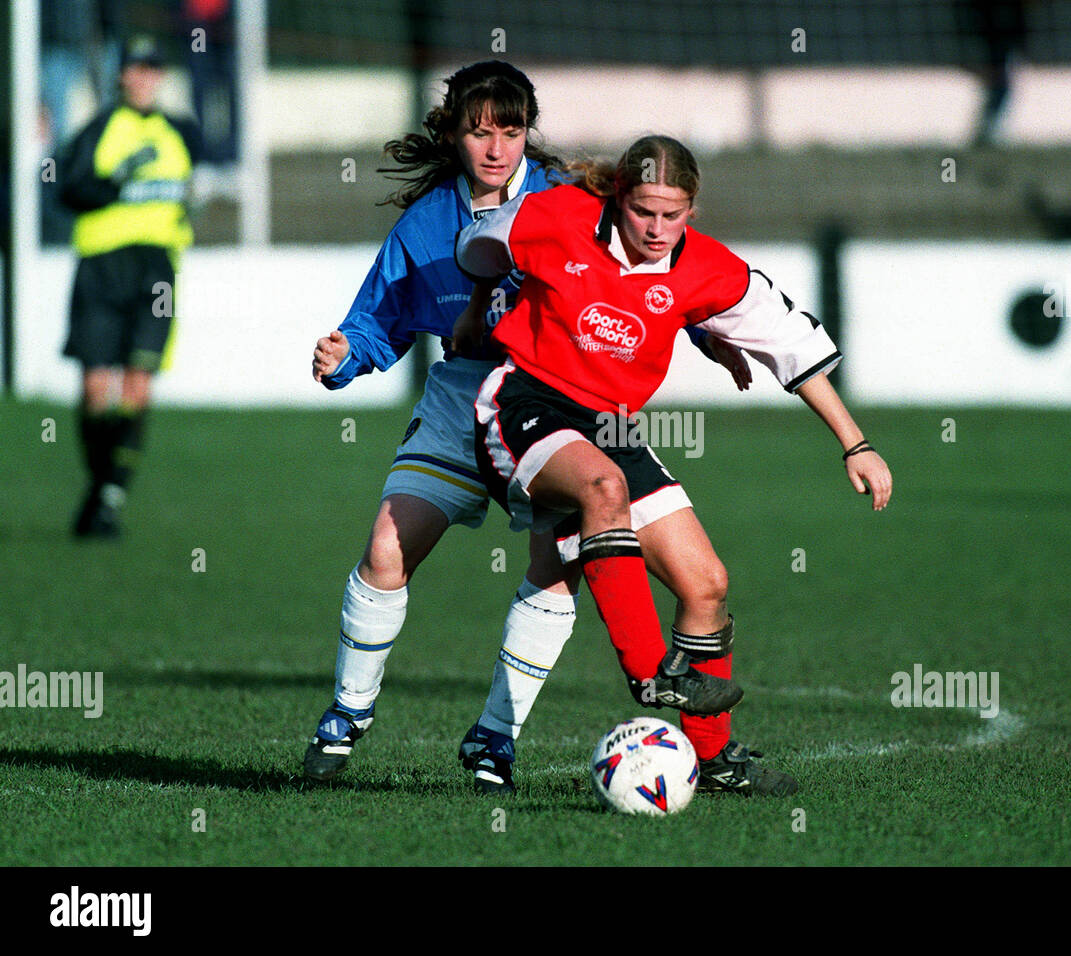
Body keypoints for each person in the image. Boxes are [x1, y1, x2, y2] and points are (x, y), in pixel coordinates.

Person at [302, 62, 739, 790]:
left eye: (511, 131)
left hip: (560, 402)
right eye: (480, 132)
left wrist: (710, 334)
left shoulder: (571, 201)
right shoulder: (426, 226)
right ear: (453, 135)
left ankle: (494, 739)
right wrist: (345, 355)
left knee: (555, 568)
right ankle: (348, 715)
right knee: (387, 547)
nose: (497, 147)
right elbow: (378, 323)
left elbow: (654, 272)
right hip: (459, 401)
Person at [456, 134, 893, 795]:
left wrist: (855, 444)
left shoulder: (711, 270)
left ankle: (715, 762)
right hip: (523, 403)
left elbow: (791, 350)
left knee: (707, 583)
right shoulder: (556, 217)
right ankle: (648, 674)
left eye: (675, 213)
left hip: (610, 427)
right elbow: (477, 247)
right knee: (601, 488)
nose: (658, 229)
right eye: (644, 211)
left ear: (692, 209)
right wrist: (474, 314)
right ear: (617, 197)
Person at [59, 35, 202, 538]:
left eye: (152, 69)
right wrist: (115, 180)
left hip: (156, 272)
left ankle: (111, 497)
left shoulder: (180, 132)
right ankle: (99, 490)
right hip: (102, 266)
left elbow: (188, 190)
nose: (144, 78)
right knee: (97, 386)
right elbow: (66, 188)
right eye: (135, 69)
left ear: (161, 76)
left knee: (138, 383)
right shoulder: (99, 129)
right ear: (122, 75)